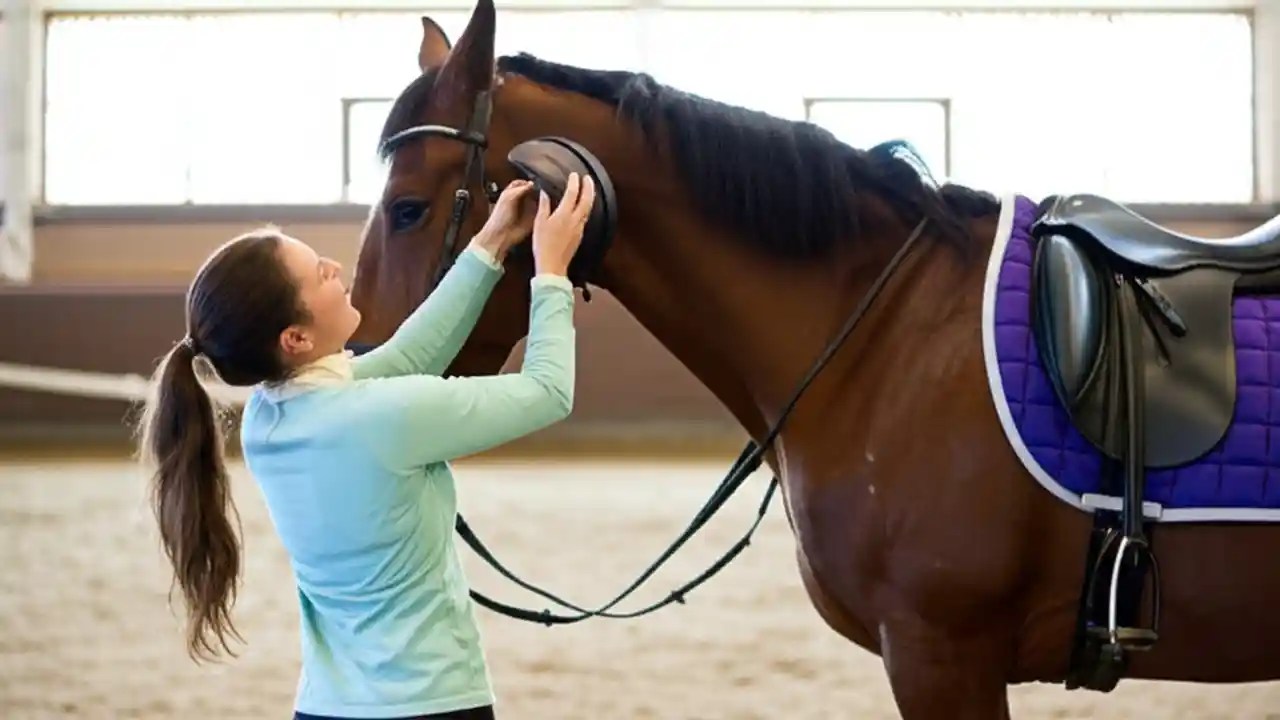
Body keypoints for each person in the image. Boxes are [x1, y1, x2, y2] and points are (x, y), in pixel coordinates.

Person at [135, 173, 597, 720]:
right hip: (432, 703)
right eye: (317, 275)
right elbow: (546, 392)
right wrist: (551, 274)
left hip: (327, 707)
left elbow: (407, 358)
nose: (334, 268)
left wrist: (491, 243)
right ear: (296, 339)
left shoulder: (268, 416)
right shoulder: (379, 417)